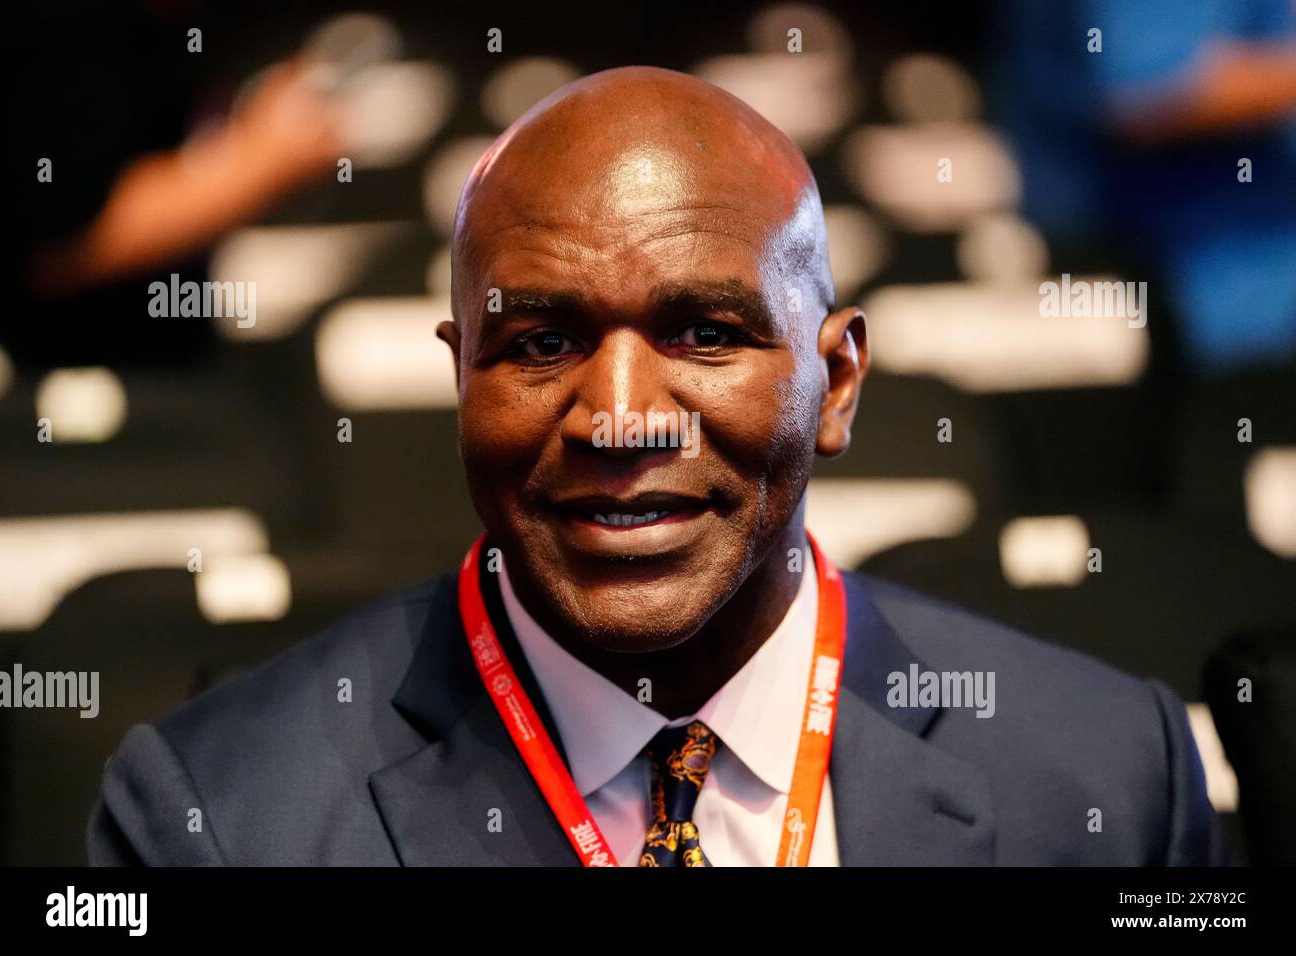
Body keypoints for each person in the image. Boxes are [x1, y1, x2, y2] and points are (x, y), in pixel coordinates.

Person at [87, 67, 1230, 866]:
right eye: (539, 344)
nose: (621, 418)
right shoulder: (220, 820)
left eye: (703, 334)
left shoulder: (1108, 779)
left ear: (836, 387)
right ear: (460, 382)